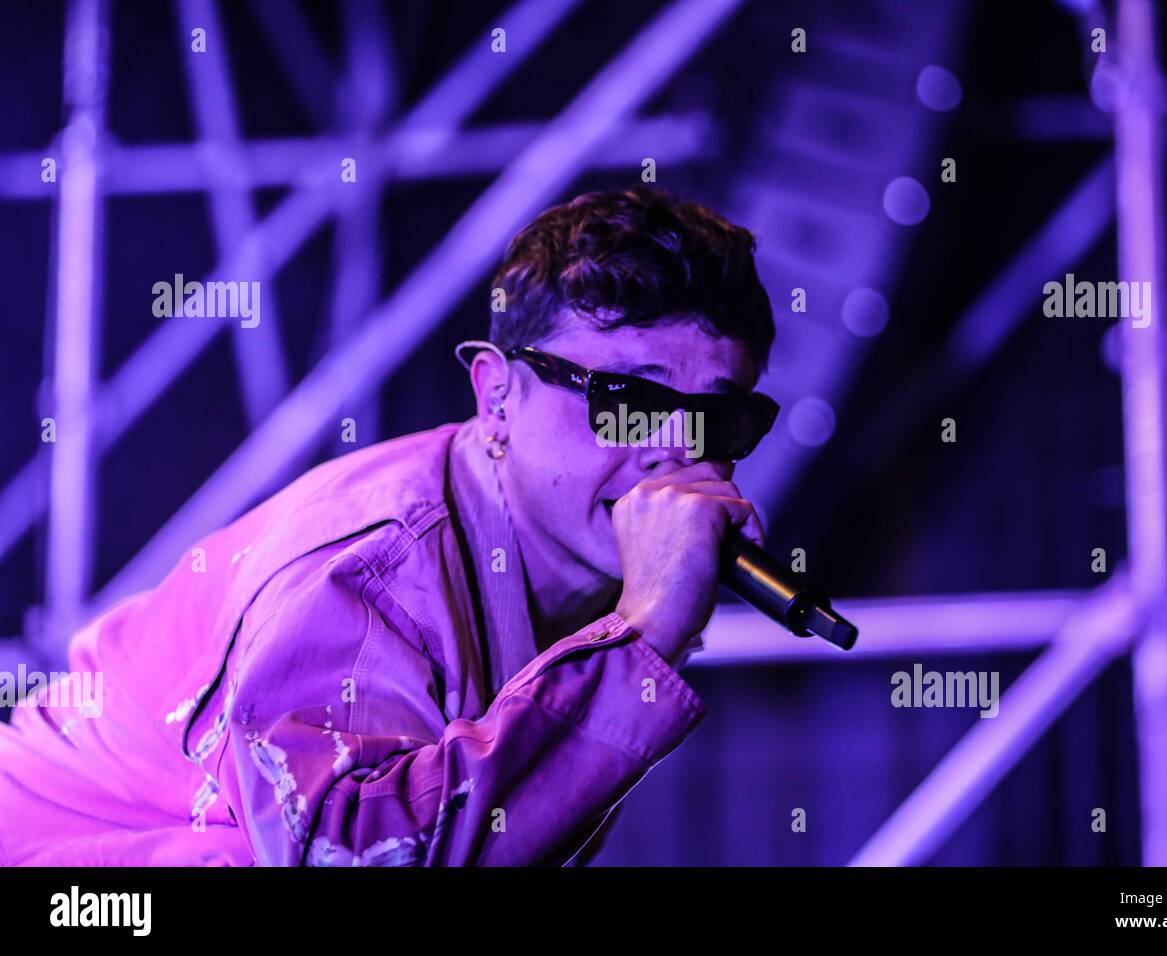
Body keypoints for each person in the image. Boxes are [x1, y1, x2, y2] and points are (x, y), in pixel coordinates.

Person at [0, 184, 777, 866]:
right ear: (496, 395)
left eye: (719, 418)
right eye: (630, 403)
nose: (678, 448)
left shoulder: (574, 575)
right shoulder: (375, 568)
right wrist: (642, 639)